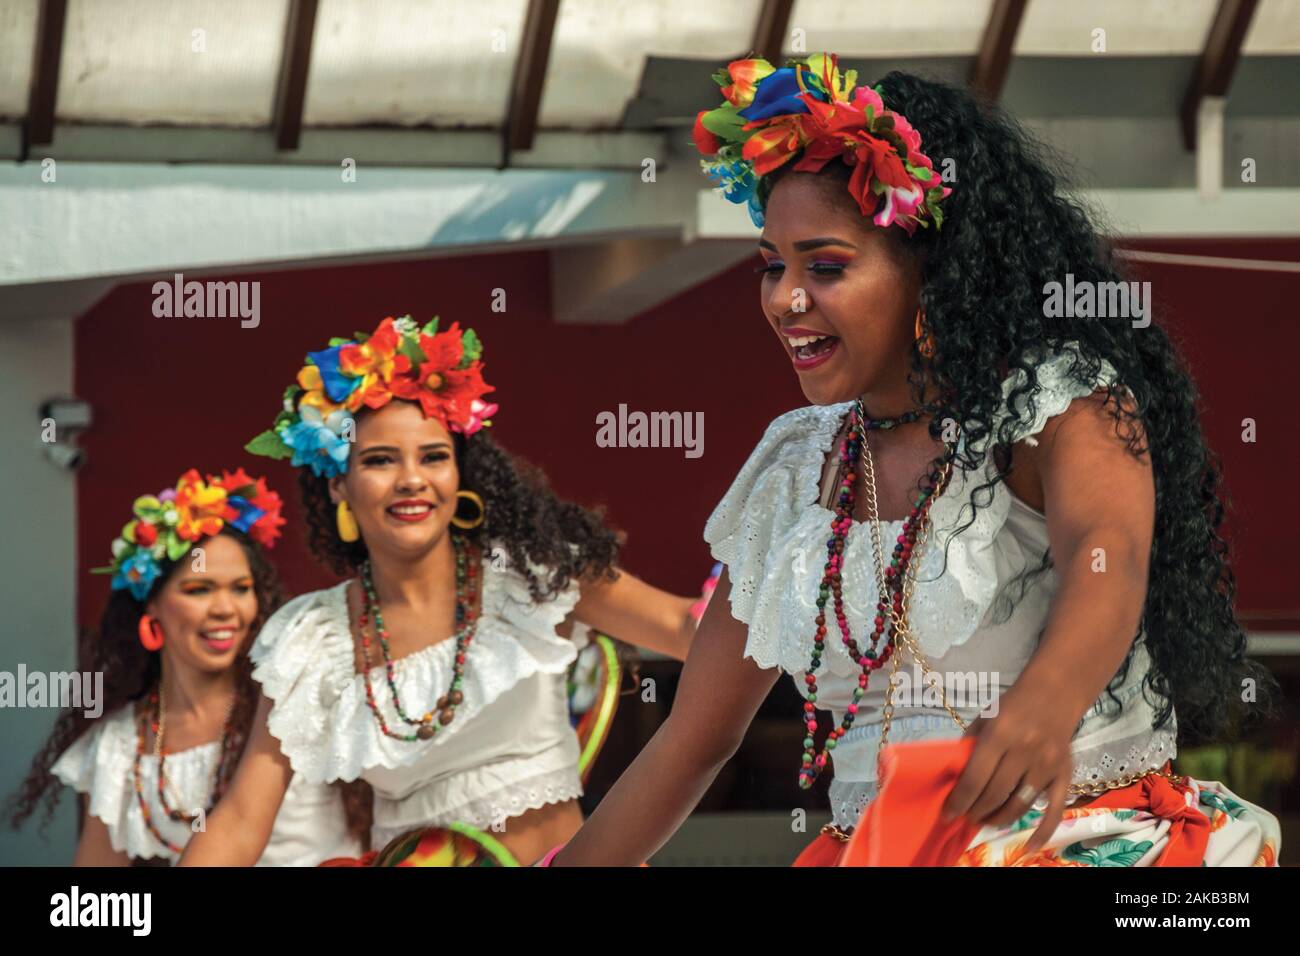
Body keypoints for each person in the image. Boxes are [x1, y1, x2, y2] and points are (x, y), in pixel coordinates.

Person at [544, 54, 1282, 868]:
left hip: (1083, 837)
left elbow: (1110, 555)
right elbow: (694, 738)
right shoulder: (796, 469)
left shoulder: (1051, 400)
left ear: (931, 272)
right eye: (772, 264)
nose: (786, 297)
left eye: (825, 265)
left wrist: (1044, 705)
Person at [180, 315, 698, 866]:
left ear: (460, 476)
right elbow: (239, 823)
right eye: (380, 460)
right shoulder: (311, 639)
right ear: (338, 484)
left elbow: (687, 629)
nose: (411, 479)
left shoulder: (534, 574)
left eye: (433, 457)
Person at [6, 467, 365, 865]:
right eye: (199, 589)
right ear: (151, 605)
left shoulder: (296, 695)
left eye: (241, 589)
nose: (226, 609)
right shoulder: (122, 746)